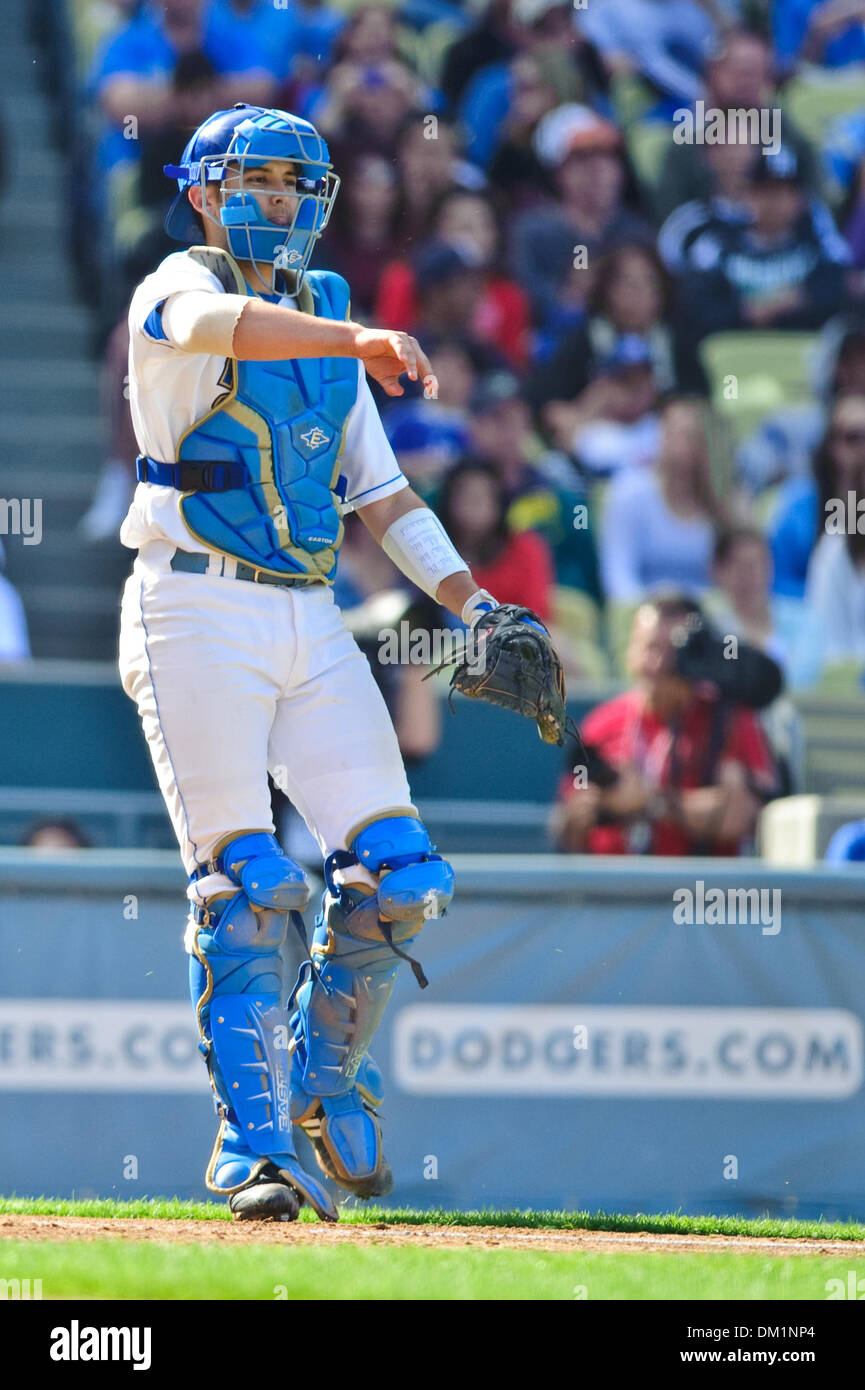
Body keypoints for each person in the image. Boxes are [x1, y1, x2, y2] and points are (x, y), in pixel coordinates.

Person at [117, 103, 558, 1222]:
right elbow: (221, 324)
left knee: (405, 877)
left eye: (296, 183)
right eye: (256, 179)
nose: (280, 201)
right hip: (192, 606)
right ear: (207, 191)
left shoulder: (323, 312)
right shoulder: (176, 283)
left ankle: (320, 1080)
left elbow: (383, 493)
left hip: (307, 613)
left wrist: (473, 603)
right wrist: (355, 339)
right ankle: (250, 1147)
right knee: (248, 881)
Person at [551, 592, 777, 855]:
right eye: (649, 648)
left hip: (698, 891)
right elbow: (566, 828)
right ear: (630, 652)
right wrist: (589, 812)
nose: (657, 664)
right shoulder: (601, 724)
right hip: (613, 888)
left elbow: (742, 816)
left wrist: (650, 803)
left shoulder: (728, 717)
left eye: (671, 652)